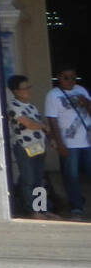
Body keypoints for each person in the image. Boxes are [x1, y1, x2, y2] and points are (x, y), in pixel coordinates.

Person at [44, 65, 91, 218]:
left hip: (87, 141)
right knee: (71, 177)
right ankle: (76, 206)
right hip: (69, 143)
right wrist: (60, 143)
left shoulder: (82, 90)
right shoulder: (53, 95)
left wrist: (87, 103)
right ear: (59, 78)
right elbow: (52, 120)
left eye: (73, 77)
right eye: (66, 77)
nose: (70, 81)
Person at [6, 75, 48, 217]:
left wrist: (42, 127)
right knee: (28, 179)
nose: (29, 91)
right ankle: (32, 210)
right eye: (26, 88)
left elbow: (38, 123)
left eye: (29, 87)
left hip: (39, 146)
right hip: (25, 147)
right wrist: (42, 126)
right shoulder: (13, 106)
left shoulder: (31, 106)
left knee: (39, 179)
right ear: (16, 91)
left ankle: (41, 208)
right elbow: (29, 124)